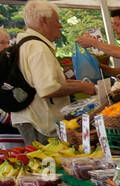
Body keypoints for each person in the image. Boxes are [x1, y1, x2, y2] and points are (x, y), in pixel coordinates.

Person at [10, 1, 96, 145]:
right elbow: (48, 88)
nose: (60, 25)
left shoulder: (24, 43)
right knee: (49, 163)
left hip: (30, 119)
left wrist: (77, 83)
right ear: (44, 20)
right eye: (57, 20)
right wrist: (82, 88)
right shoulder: (38, 48)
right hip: (41, 124)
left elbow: (41, 83)